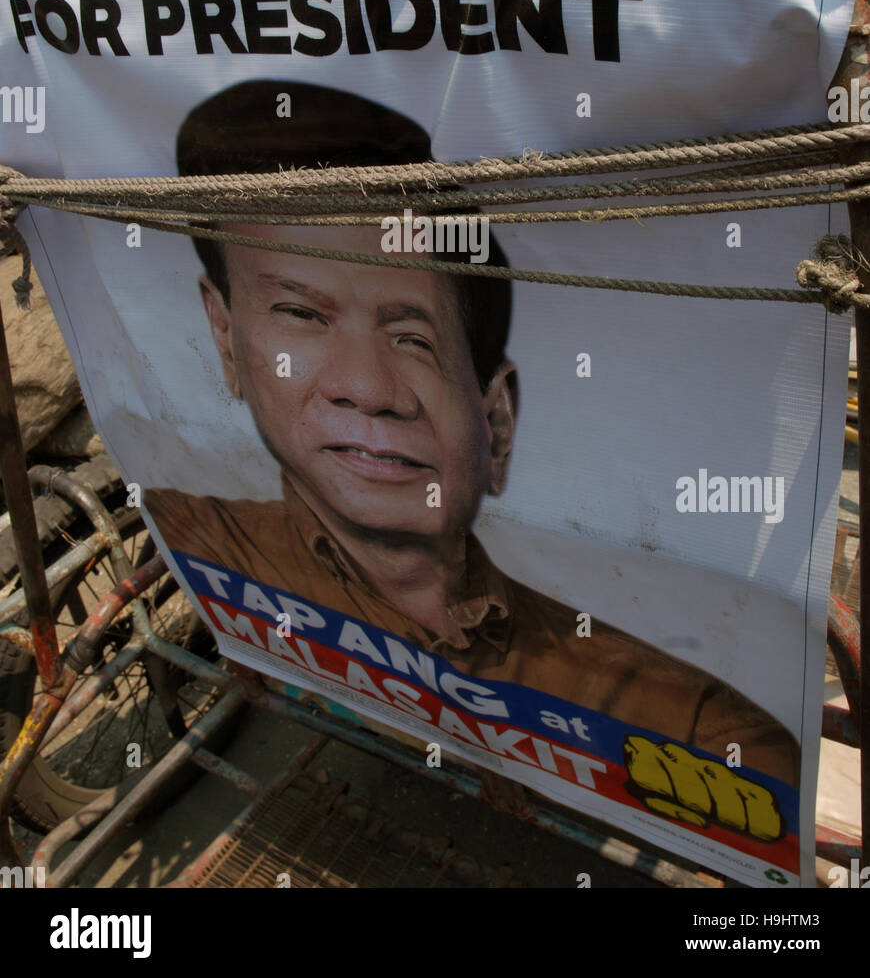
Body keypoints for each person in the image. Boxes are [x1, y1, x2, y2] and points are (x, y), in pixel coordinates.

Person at [145, 80, 800, 825]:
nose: (367, 388)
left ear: (497, 421)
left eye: (413, 338)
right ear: (225, 336)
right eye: (300, 313)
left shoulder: (699, 728)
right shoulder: (196, 537)